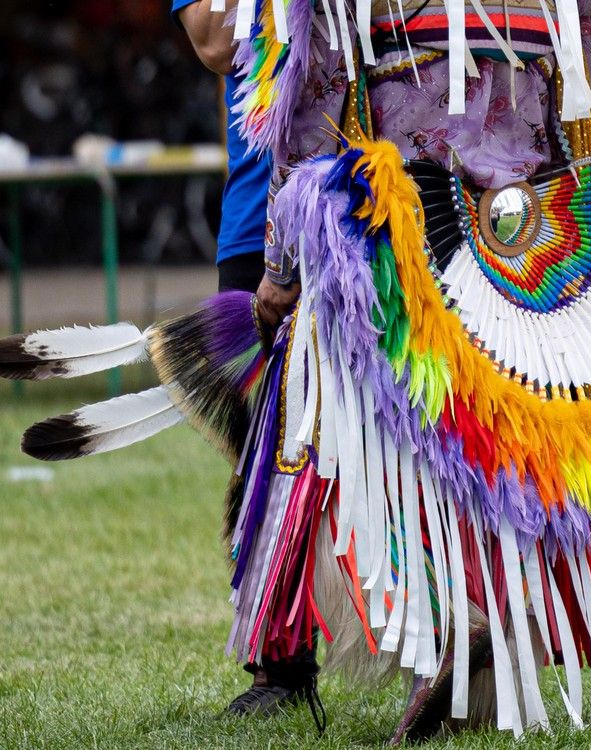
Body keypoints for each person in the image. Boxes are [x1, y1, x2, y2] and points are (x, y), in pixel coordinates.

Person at [172, 0, 312, 716]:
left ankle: (441, 642)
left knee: (409, 427)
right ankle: (279, 666)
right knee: (266, 443)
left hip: (378, 199)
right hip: (258, 225)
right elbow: (215, 42)